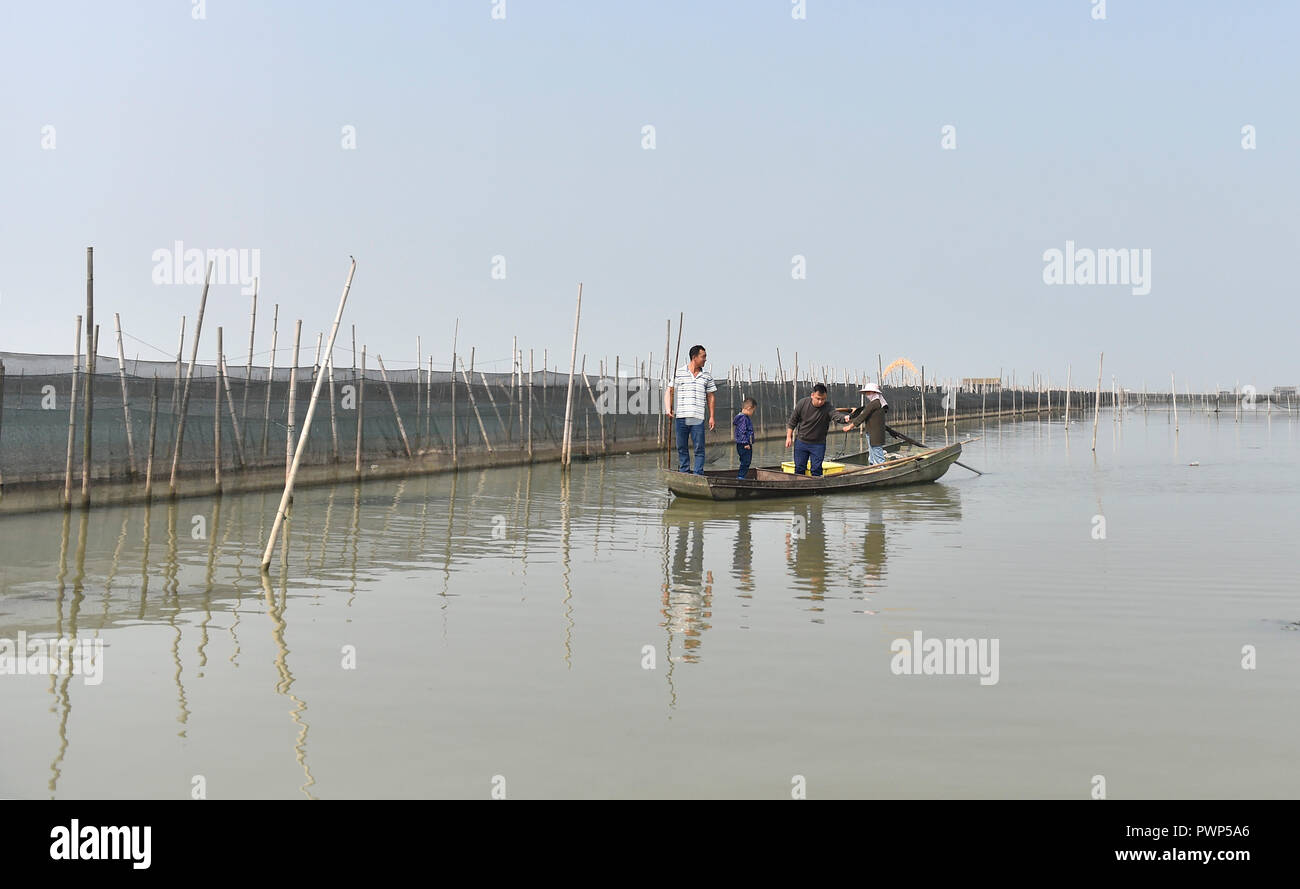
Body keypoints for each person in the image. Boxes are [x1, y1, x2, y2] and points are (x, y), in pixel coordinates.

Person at [666, 345, 716, 474]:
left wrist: (711, 416)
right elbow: (670, 391)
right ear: (694, 357)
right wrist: (668, 408)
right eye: (703, 356)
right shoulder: (679, 373)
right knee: (681, 446)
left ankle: (698, 473)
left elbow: (710, 396)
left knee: (699, 447)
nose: (705, 359)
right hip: (681, 416)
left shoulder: (707, 376)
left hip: (698, 418)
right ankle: (684, 471)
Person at [785, 383, 853, 477]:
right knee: (799, 468)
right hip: (801, 442)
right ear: (812, 395)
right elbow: (793, 421)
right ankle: (800, 486)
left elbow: (836, 415)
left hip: (818, 444)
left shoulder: (828, 407)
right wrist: (789, 437)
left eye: (823, 399)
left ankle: (816, 488)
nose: (821, 401)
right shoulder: (802, 403)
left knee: (816, 469)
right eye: (818, 398)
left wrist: (846, 418)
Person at [848, 382, 889, 464]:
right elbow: (865, 412)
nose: (866, 394)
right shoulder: (877, 403)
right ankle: (873, 467)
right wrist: (853, 413)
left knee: (877, 454)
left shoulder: (875, 403)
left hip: (874, 433)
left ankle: (882, 470)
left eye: (868, 392)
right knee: (872, 453)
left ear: (874, 392)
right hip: (872, 432)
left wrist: (850, 426)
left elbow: (863, 415)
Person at [733, 397, 756, 479]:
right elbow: (742, 431)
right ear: (749, 408)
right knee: (746, 461)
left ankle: (742, 476)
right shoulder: (743, 418)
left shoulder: (744, 417)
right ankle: (741, 477)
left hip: (743, 443)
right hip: (744, 444)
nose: (753, 412)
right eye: (753, 410)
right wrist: (746, 443)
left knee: (745, 460)